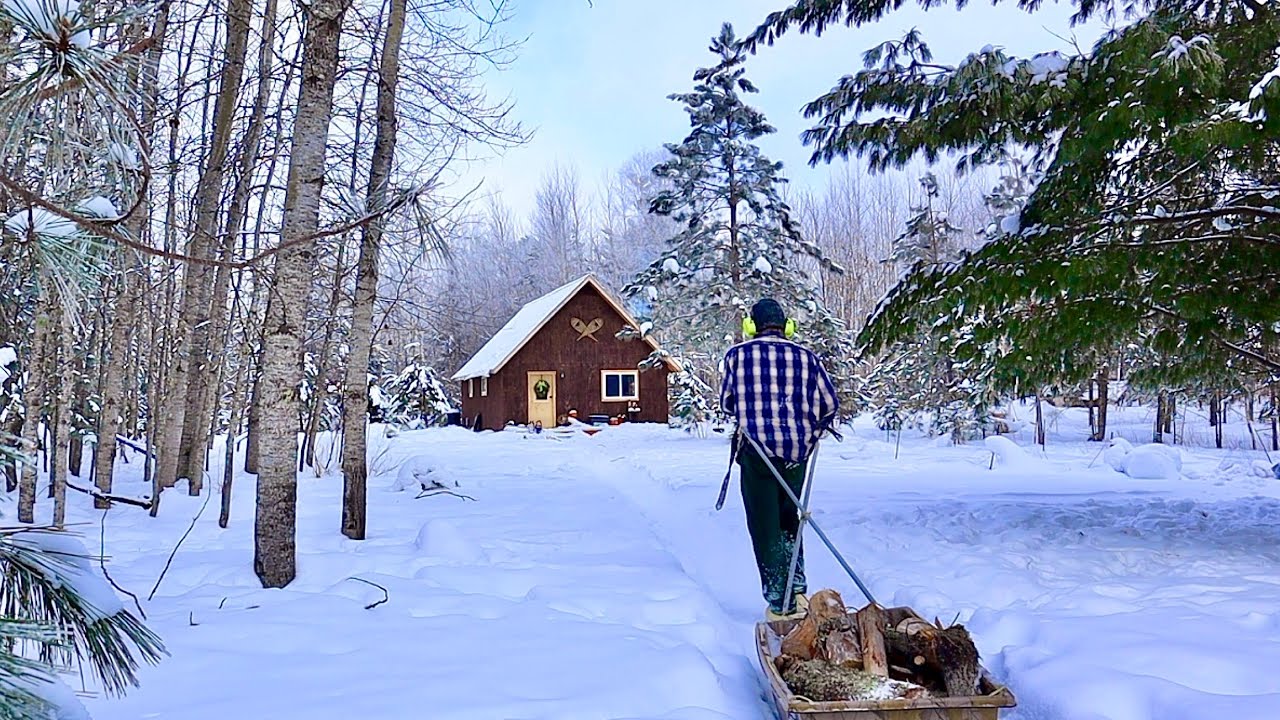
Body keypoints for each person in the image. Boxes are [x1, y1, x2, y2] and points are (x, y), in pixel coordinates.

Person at [719, 298, 839, 621]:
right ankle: (797, 589)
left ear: (751, 326)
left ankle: (779, 602)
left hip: (757, 456)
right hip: (796, 458)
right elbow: (830, 405)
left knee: (765, 525)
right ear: (787, 327)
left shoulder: (737, 357)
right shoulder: (808, 359)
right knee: (790, 522)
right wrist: (809, 436)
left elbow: (728, 403)